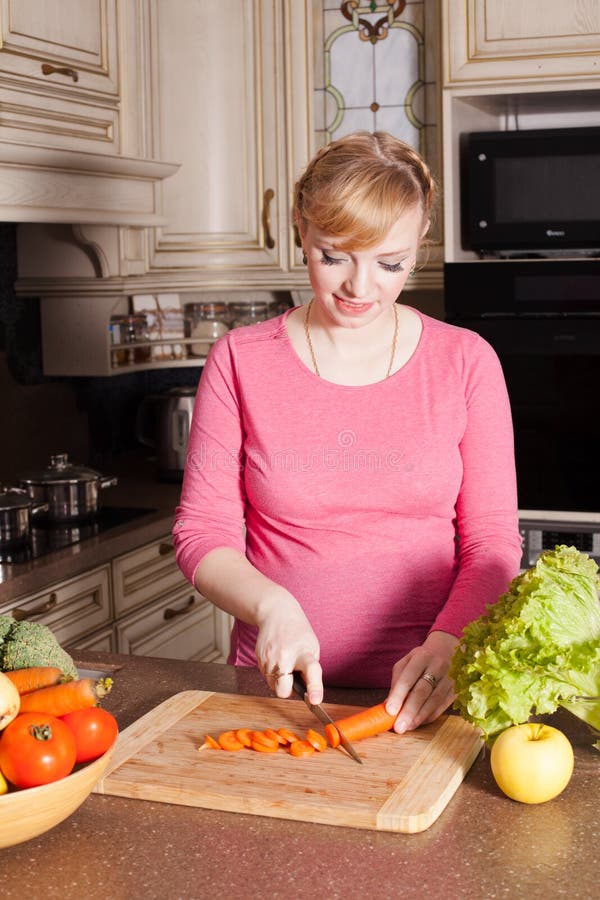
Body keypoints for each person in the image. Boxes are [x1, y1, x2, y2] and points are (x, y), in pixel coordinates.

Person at [173, 131, 522, 735]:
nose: (361, 288)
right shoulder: (240, 360)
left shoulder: (466, 362)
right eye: (334, 256)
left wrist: (449, 644)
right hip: (276, 700)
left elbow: (491, 543)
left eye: (390, 263)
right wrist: (271, 604)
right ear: (300, 233)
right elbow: (202, 532)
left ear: (419, 248)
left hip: (430, 697)